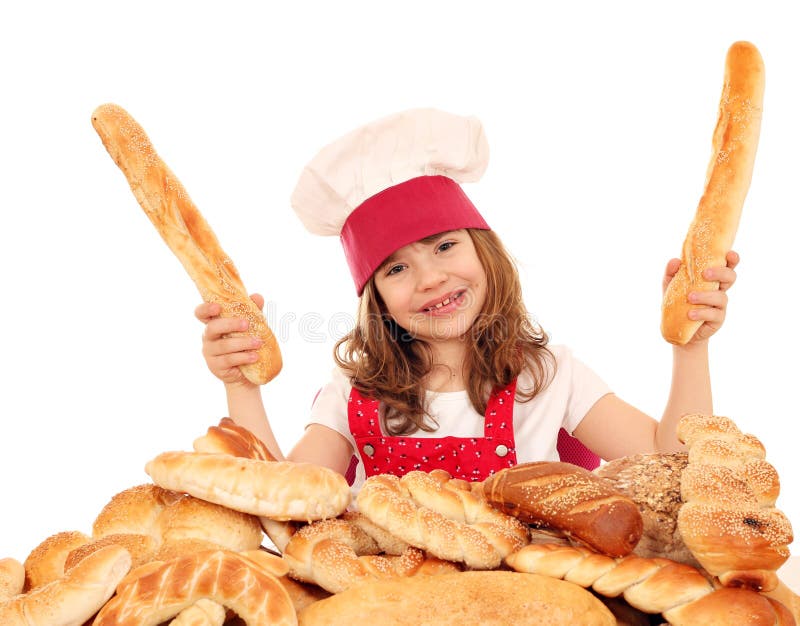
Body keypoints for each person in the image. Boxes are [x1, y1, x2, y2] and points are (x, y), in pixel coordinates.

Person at [194, 109, 738, 492]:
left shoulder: (551, 377)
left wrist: (691, 348)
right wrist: (241, 385)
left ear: (485, 251)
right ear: (375, 298)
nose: (430, 278)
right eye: (396, 268)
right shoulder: (352, 396)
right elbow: (281, 501)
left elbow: (676, 469)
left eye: (444, 246)